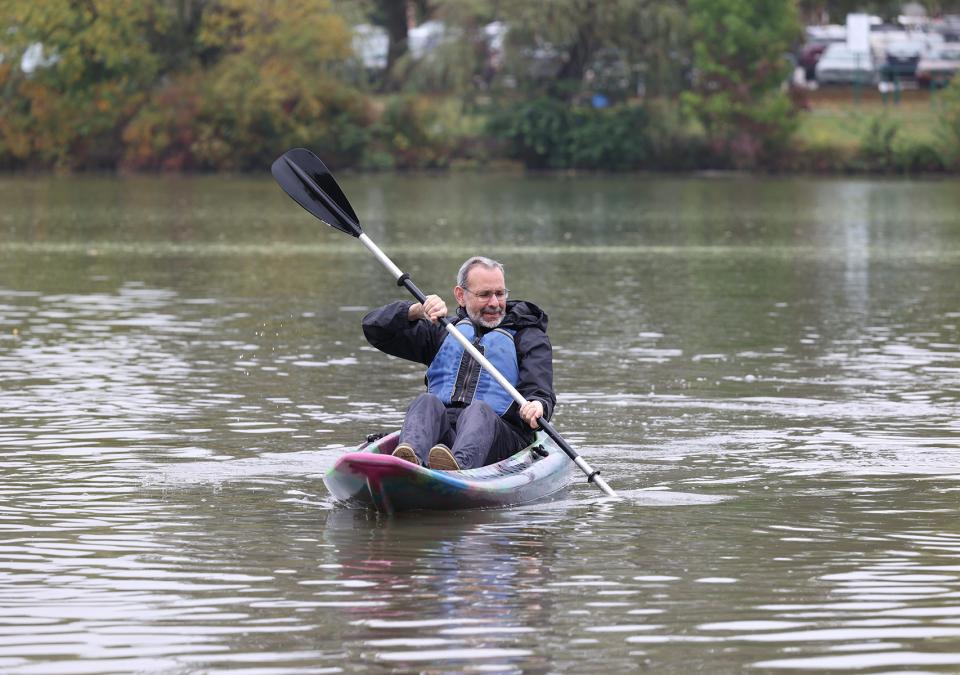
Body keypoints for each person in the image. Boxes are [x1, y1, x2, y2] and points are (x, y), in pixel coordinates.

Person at [361, 256, 555, 471]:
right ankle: (409, 463)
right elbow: (374, 329)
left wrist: (538, 405)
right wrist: (415, 311)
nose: (494, 303)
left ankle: (457, 471)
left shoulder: (527, 336)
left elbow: (541, 391)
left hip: (500, 439)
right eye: (484, 294)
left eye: (499, 294)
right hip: (444, 437)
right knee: (426, 402)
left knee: (479, 410)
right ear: (460, 295)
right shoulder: (444, 331)